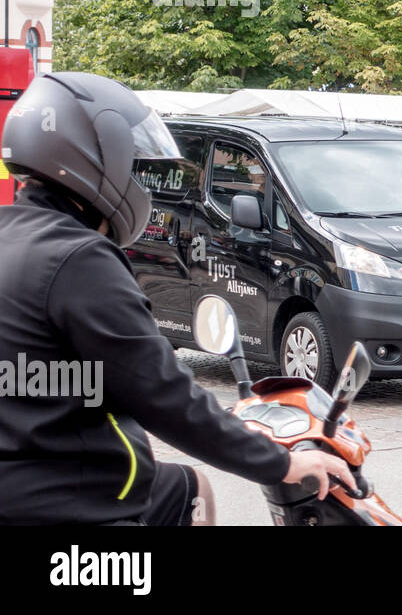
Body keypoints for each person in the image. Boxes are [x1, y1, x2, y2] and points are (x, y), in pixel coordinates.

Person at [0, 72, 355, 525]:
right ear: (92, 159)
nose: (138, 183)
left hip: (30, 472)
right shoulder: (81, 258)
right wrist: (282, 463)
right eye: (133, 167)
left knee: (187, 488)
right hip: (70, 499)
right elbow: (161, 394)